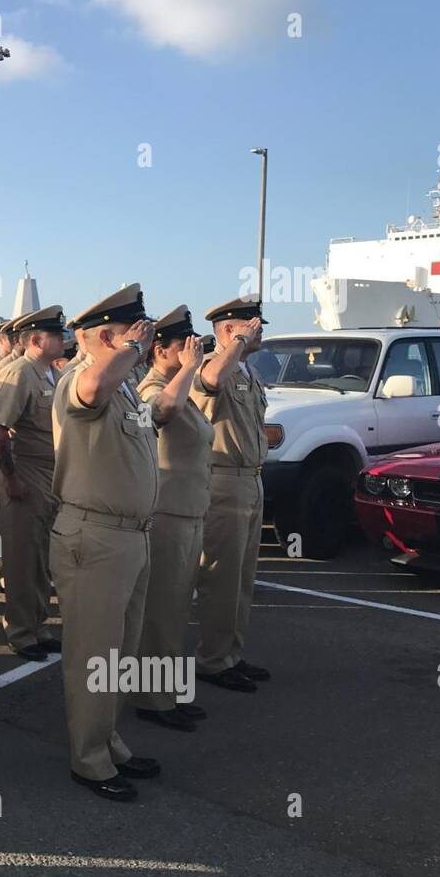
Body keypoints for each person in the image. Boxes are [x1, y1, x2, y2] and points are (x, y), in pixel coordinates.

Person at [51, 283, 160, 802]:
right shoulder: (81, 378)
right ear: (100, 337)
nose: (142, 339)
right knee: (96, 653)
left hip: (130, 537)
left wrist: (131, 356)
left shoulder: (127, 387)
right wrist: (133, 350)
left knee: (122, 651)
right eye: (130, 332)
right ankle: (88, 759)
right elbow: (91, 390)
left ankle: (108, 739)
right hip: (93, 536)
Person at [133, 306, 211, 731]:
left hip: (189, 508)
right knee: (162, 610)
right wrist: (191, 368)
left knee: (177, 607)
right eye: (184, 344)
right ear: (160, 350)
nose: (192, 348)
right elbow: (160, 412)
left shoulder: (179, 383)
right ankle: (151, 698)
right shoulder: (151, 386)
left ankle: (166, 693)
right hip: (168, 512)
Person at [191, 295, 271, 692]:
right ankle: (212, 659)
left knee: (242, 576)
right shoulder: (213, 365)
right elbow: (209, 384)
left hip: (251, 478)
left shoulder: (248, 372)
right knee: (221, 577)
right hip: (224, 480)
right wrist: (236, 343)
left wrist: (241, 348)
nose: (259, 333)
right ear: (227, 330)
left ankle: (230, 654)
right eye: (251, 326)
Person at [0, 305, 67, 661]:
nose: (63, 339)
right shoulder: (20, 374)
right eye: (56, 334)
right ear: (35, 340)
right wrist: (12, 479)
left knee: (40, 559)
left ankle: (38, 626)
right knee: (22, 559)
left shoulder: (49, 374)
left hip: (49, 475)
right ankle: (20, 632)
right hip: (25, 473)